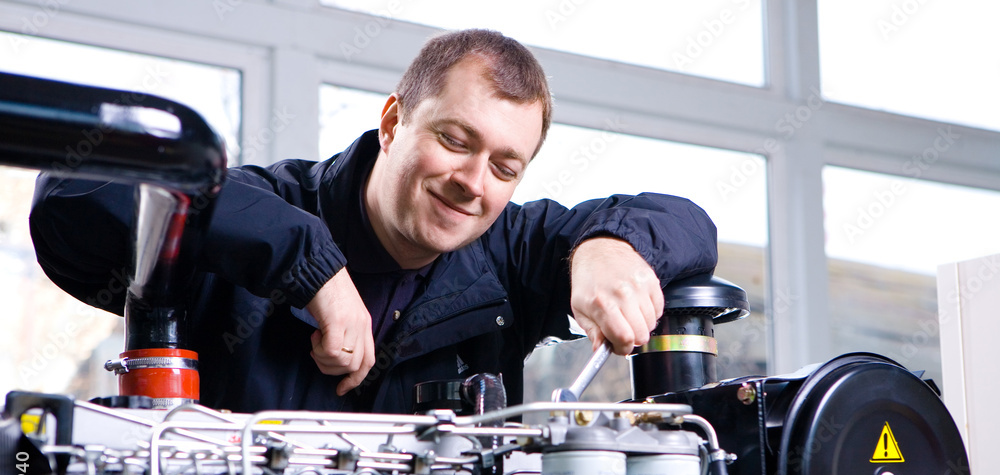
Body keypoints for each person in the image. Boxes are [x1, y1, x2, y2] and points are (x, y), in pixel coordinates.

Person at [30, 29, 718, 414]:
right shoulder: (261, 206)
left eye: (505, 167)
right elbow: (74, 186)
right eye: (454, 140)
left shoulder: (511, 253)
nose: (473, 182)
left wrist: (610, 246)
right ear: (392, 122)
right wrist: (309, 266)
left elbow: (689, 225)